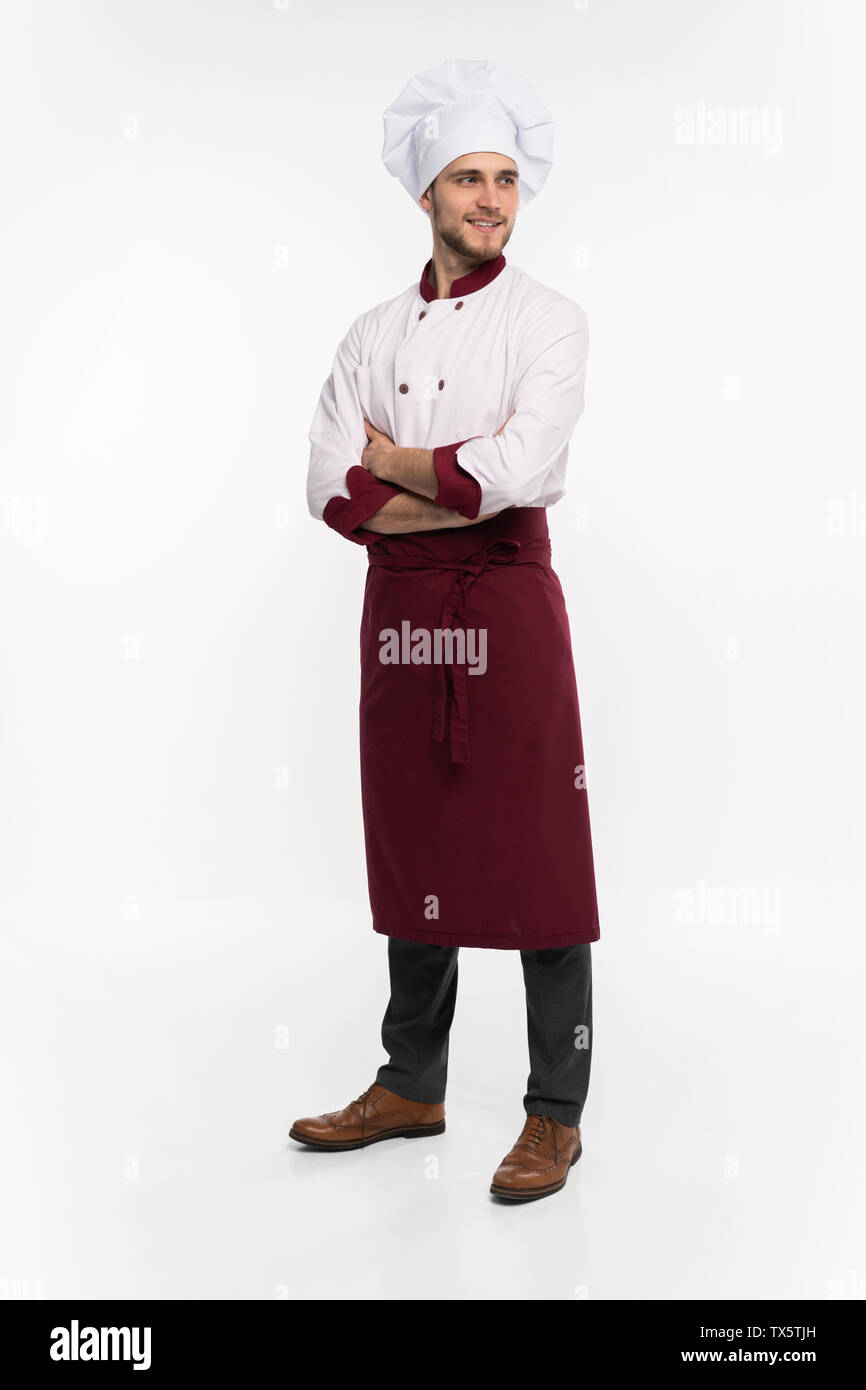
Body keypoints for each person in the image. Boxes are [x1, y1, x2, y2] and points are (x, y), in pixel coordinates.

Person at [292, 58, 600, 1202]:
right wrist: (434, 487)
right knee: (413, 835)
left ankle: (552, 1113)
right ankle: (410, 1083)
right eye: (466, 179)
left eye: (505, 180)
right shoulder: (371, 332)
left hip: (505, 608)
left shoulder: (549, 322)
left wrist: (395, 469)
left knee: (536, 849)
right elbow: (327, 487)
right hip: (402, 621)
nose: (488, 199)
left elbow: (518, 471)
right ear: (424, 193)